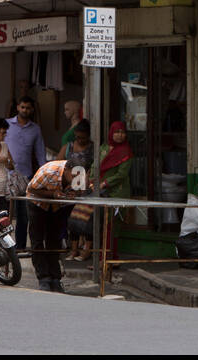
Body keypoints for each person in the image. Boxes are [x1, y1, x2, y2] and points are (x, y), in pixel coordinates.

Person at [26, 159, 75, 292]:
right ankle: (43, 278)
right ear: (66, 170)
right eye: (74, 175)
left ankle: (55, 278)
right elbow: (31, 188)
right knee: (37, 240)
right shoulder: (49, 171)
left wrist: (72, 194)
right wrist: (52, 194)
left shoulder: (79, 177)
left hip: (56, 207)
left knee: (54, 241)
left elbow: (79, 192)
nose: (76, 178)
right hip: (37, 204)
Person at [6, 96, 45, 251]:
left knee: (23, 215)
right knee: (3, 213)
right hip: (7, 175)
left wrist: (43, 174)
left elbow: (40, 153)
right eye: (22, 107)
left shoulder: (35, 129)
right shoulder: (7, 124)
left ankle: (20, 246)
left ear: (32, 110)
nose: (25, 110)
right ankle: (2, 244)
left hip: (26, 176)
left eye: (28, 108)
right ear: (17, 107)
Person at [61, 122, 95, 261]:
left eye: (83, 138)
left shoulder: (93, 149)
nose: (80, 140)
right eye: (78, 137)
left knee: (85, 220)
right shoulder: (68, 147)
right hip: (70, 188)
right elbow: (59, 163)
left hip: (86, 189)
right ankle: (74, 250)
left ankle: (86, 250)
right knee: (71, 220)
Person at [99, 121, 132, 198]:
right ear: (111, 132)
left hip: (118, 192)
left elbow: (122, 174)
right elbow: (95, 165)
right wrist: (91, 179)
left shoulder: (126, 152)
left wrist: (105, 183)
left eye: (122, 132)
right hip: (100, 190)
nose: (120, 135)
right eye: (117, 132)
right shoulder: (104, 148)